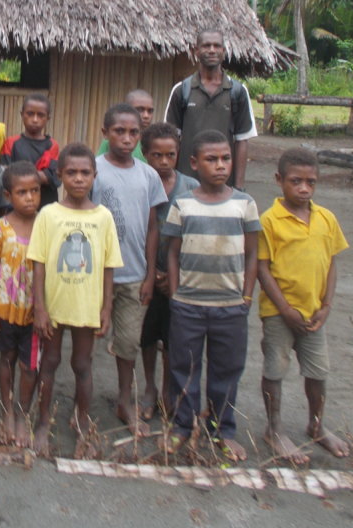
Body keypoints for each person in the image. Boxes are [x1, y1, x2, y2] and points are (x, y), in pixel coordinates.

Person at [161, 129, 260, 461]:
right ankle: (181, 427)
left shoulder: (244, 204)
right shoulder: (183, 204)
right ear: (194, 163)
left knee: (227, 371)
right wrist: (175, 295)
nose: (220, 165)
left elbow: (252, 255)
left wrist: (246, 298)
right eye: (211, 159)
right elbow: (172, 252)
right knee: (183, 369)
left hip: (231, 307)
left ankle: (222, 431)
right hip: (188, 305)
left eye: (226, 158)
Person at [29, 143, 122, 459]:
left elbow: (109, 266)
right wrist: (39, 307)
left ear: (95, 176)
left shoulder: (103, 217)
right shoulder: (48, 214)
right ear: (59, 176)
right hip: (54, 307)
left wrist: (106, 307)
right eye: (72, 172)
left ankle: (82, 422)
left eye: (85, 173)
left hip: (86, 306)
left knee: (83, 365)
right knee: (49, 363)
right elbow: (38, 263)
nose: (79, 179)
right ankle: (42, 422)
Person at [257, 148, 350, 463]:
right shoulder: (269, 221)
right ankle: (275, 429)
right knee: (275, 369)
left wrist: (326, 306)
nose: (304, 189)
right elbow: (262, 268)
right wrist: (284, 308)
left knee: (318, 372)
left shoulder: (326, 218)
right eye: (296, 181)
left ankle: (317, 425)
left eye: (311, 182)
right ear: (279, 180)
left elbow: (331, 263)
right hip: (279, 313)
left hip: (314, 314)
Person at [91, 103, 168, 437]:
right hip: (93, 275)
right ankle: (82, 404)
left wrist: (150, 274)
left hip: (134, 274)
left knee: (127, 343)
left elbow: (153, 228)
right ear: (105, 133)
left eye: (133, 132)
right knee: (83, 343)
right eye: (119, 131)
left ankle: (124, 400)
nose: (126, 138)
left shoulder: (148, 175)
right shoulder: (91, 170)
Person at [138, 122, 199, 421]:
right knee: (147, 335)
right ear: (146, 155)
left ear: (178, 154)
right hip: (145, 274)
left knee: (173, 339)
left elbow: (196, 235)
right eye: (156, 155)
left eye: (170, 155)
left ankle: (166, 389)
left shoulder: (191, 187)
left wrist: (172, 277)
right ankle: (148, 387)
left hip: (180, 278)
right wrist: (153, 273)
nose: (163, 162)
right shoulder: (139, 183)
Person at [0, 161, 42, 446]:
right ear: (8, 195)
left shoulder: (46, 225)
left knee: (29, 367)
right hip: (5, 309)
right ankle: (7, 410)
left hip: (35, 313)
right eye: (22, 192)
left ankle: (22, 413)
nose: (30, 197)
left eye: (34, 191)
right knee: (6, 358)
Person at [163, 29, 257, 189]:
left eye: (217, 46)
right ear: (196, 51)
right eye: (206, 46)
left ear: (224, 51)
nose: (212, 50)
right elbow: (171, 140)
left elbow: (242, 140)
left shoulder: (238, 92)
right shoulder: (182, 91)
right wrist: (171, 183)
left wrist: (239, 187)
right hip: (186, 182)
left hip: (224, 182)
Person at [0, 93, 60, 208]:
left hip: (45, 207)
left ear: (48, 118)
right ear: (22, 115)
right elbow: (5, 175)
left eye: (40, 115)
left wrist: (19, 176)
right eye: (30, 114)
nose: (35, 119)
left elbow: (52, 177)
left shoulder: (52, 145)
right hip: (17, 207)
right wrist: (40, 175)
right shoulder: (11, 143)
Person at [96, 89, 154, 163]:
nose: (146, 115)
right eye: (140, 110)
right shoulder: (111, 140)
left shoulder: (154, 141)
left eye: (150, 111)